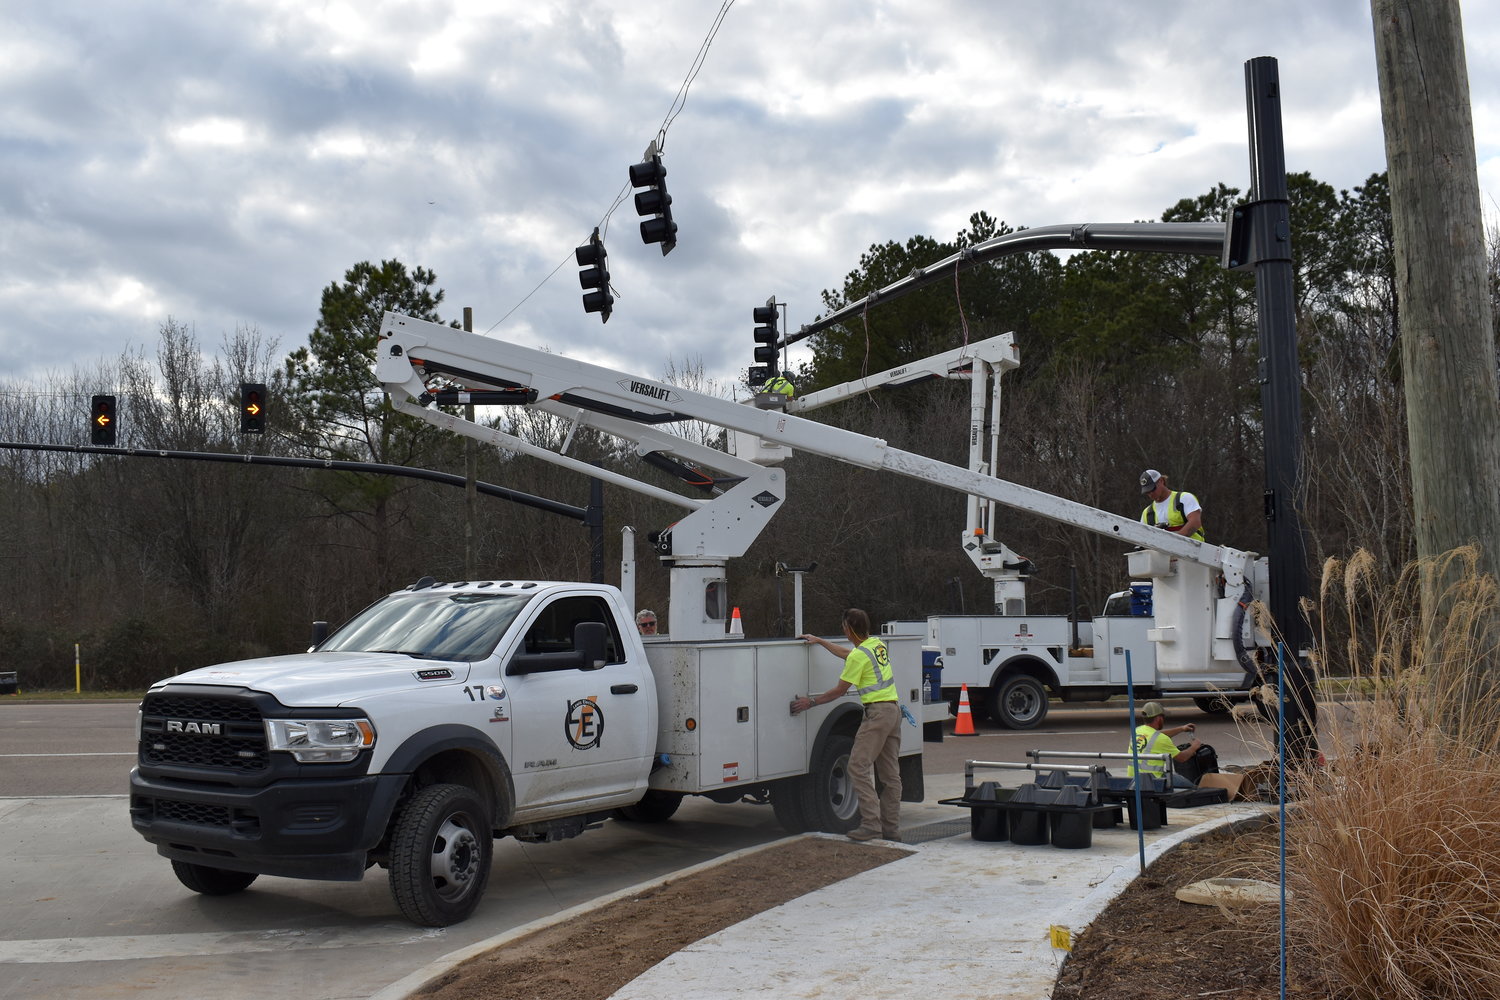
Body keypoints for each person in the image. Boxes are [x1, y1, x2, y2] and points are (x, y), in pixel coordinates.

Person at [791, 608, 901, 842]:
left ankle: (871, 825)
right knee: (890, 776)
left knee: (857, 767)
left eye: (843, 627)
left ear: (848, 629)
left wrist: (811, 702)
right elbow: (849, 654)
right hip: (893, 712)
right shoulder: (876, 644)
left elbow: (839, 691)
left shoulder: (858, 656)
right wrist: (821, 641)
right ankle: (891, 830)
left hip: (877, 715)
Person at [1126, 701, 1201, 788]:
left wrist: (1181, 729)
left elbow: (1156, 735)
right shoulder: (1161, 739)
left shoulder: (1137, 731)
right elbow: (1182, 758)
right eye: (1163, 717)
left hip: (1133, 779)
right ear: (1159, 718)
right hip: (1153, 781)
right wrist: (1195, 746)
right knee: (1191, 787)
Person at [1139, 469, 1205, 541]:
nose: (1151, 494)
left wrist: (1173, 542)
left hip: (1193, 547)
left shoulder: (1184, 498)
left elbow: (1195, 523)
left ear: (1161, 481)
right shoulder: (1147, 513)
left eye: (1152, 489)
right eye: (1147, 491)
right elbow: (1143, 538)